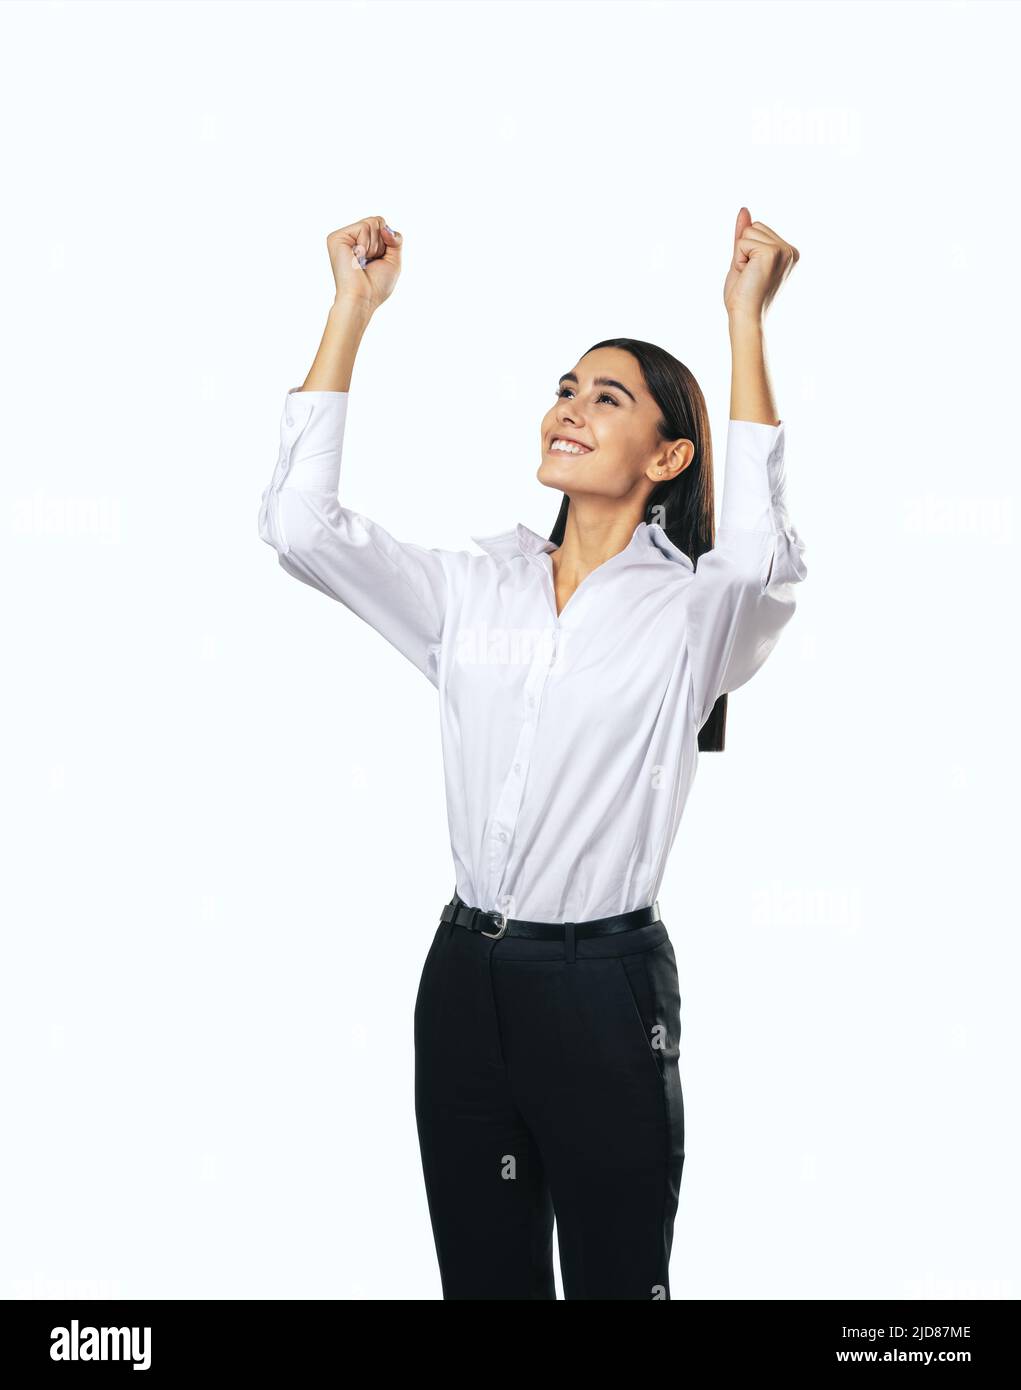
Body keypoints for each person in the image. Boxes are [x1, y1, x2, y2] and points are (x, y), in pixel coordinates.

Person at [258, 209, 807, 1300]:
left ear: (669, 455)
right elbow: (298, 527)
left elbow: (760, 554)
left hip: (600, 987)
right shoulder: (473, 589)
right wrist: (351, 310)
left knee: (616, 1282)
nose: (570, 407)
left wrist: (743, 322)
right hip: (466, 976)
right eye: (566, 387)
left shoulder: (695, 614)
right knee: (484, 1284)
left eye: (609, 398)